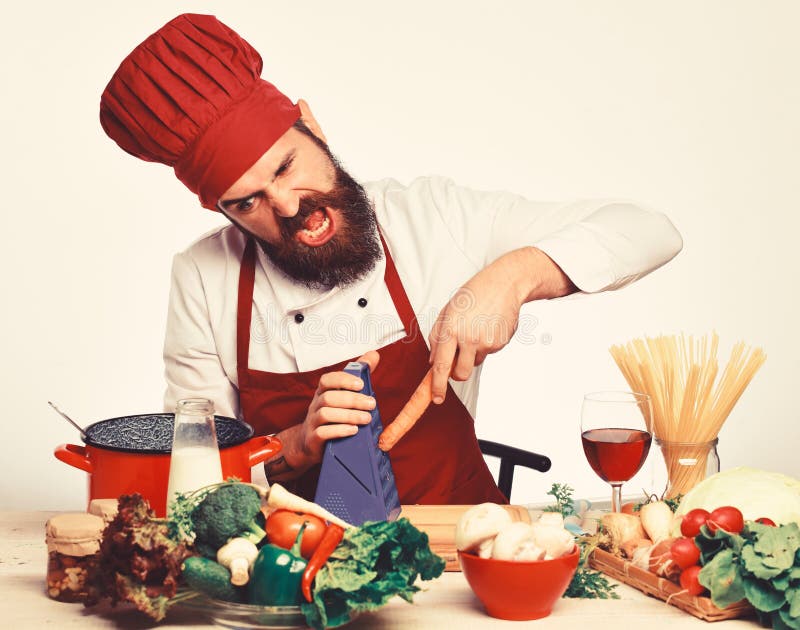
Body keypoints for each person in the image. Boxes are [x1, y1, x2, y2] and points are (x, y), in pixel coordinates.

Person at [100, 13, 683, 504]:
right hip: (296, 562)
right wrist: (292, 445)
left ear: (313, 125)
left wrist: (517, 274)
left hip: (457, 551)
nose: (285, 205)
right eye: (247, 201)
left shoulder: (434, 218)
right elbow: (193, 479)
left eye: (285, 167)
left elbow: (649, 230)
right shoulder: (205, 276)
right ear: (222, 210)